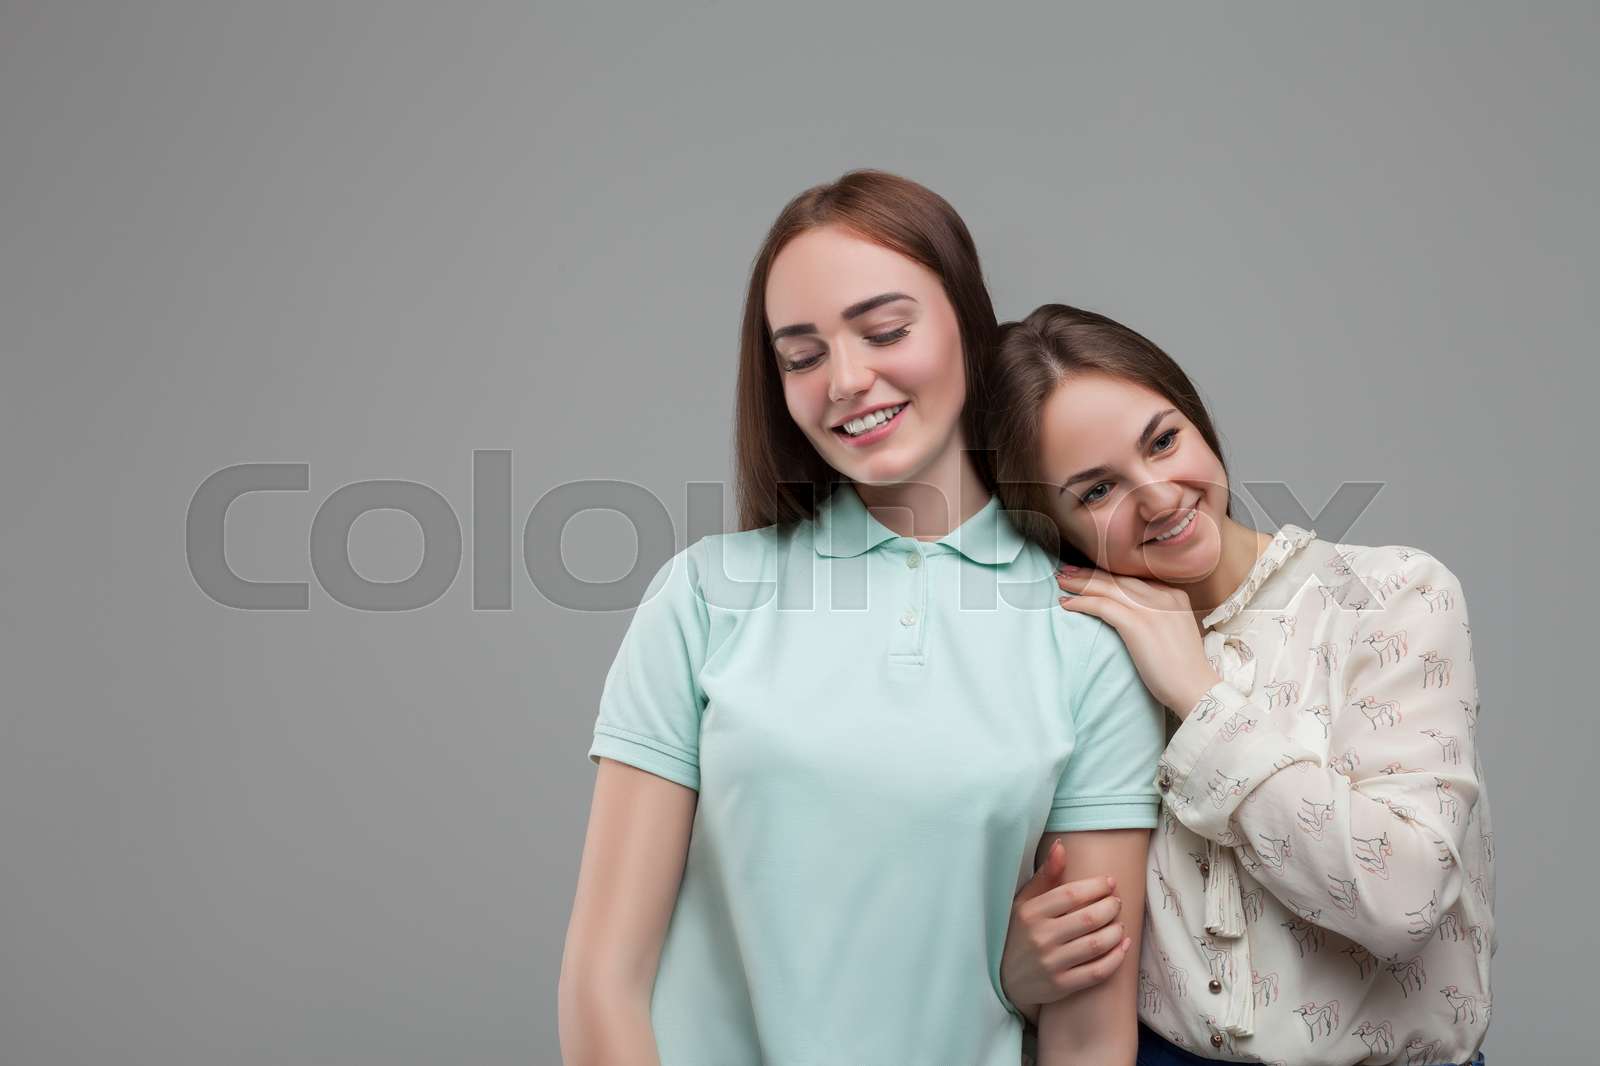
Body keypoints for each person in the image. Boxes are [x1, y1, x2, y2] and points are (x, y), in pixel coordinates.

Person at [556, 174, 1166, 1065]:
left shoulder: (1084, 635)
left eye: (885, 331)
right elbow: (602, 981)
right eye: (802, 357)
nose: (846, 381)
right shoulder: (704, 598)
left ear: (968, 322)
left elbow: (1087, 1032)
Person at [991, 304, 1493, 1065]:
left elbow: (1405, 899)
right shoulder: (1080, 658)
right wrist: (1017, 978)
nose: (1159, 497)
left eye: (1164, 441)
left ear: (1196, 420)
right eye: (1097, 492)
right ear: (1050, 523)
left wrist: (1198, 694)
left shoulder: (1390, 596)